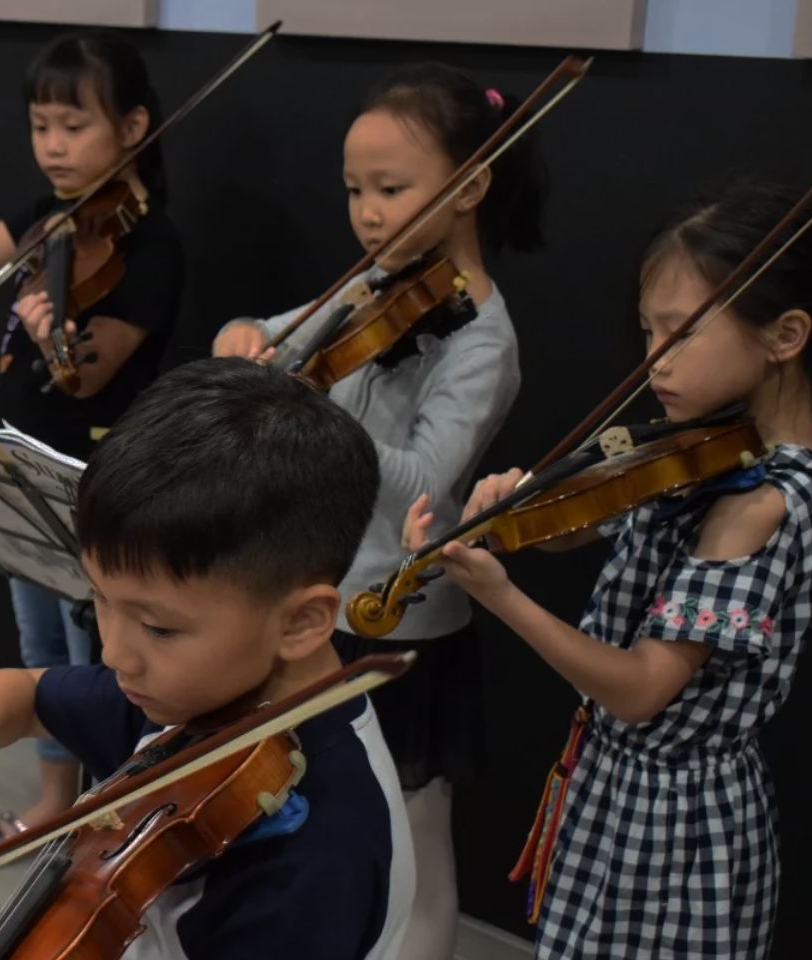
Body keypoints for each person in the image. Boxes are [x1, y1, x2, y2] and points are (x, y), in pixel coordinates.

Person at [404, 177, 812, 957]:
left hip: (675, 821)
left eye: (679, 334)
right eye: (647, 332)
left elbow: (640, 690)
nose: (652, 363)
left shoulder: (765, 502)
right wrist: (520, 518)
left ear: (787, 334)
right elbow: (593, 528)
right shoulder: (712, 451)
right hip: (620, 792)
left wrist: (500, 597)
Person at [0, 357, 413, 958]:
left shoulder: (316, 862)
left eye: (158, 627)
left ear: (300, 622)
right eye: (99, 596)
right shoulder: (202, 701)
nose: (115, 654)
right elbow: (17, 694)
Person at [212, 63, 544, 958]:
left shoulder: (484, 341)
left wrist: (317, 405)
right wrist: (244, 339)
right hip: (318, 593)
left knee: (412, 837)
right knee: (314, 812)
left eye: (391, 189)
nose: (365, 212)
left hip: (403, 618)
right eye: (355, 189)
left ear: (471, 185)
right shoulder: (372, 290)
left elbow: (426, 481)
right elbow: (268, 333)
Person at [0, 31, 185, 837]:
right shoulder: (49, 218)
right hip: (20, 467)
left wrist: (49, 336)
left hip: (91, 481)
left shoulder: (153, 248)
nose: (54, 147)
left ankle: (109, 805)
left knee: (93, 652)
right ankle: (54, 799)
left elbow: (88, 372)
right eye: (41, 127)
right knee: (37, 640)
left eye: (74, 126)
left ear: (133, 127)